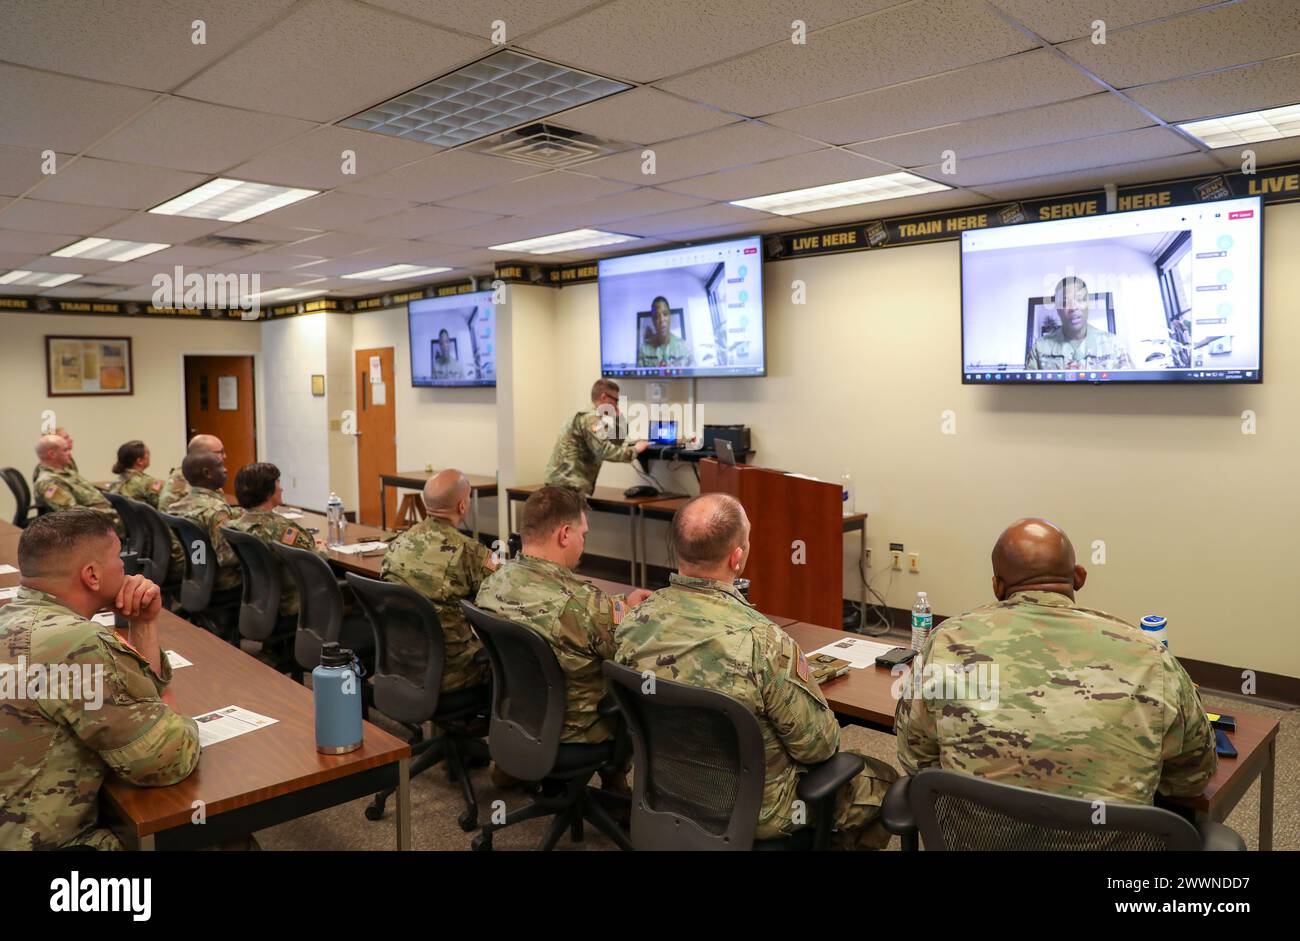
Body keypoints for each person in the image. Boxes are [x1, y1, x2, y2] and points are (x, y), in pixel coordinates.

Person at [616, 493, 897, 849]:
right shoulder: (764, 643)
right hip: (760, 812)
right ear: (737, 557)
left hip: (667, 791)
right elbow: (820, 747)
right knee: (884, 781)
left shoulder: (632, 621)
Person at [895, 517, 1217, 805]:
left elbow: (916, 759)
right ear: (1079, 577)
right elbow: (1191, 778)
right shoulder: (1149, 655)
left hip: (971, 838)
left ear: (998, 587)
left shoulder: (947, 641)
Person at [0, 509, 200, 850]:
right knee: (217, 838)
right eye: (119, 558)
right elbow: (167, 760)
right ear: (92, 575)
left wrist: (144, 623)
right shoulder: (77, 643)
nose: (125, 568)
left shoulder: (12, 618)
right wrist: (167, 703)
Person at [476, 486, 651, 786]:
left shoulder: (493, 582)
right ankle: (615, 786)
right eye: (584, 535)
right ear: (565, 535)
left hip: (515, 719)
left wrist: (621, 604)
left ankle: (511, 767)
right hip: (575, 733)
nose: (584, 544)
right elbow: (630, 651)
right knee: (641, 685)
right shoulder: (581, 604)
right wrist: (629, 611)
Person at [381, 469, 496, 693]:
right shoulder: (470, 552)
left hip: (401, 660)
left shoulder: (397, 543)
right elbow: (503, 593)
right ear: (462, 506)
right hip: (453, 671)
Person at [226, 462, 322, 618]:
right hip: (290, 601)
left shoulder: (235, 524)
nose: (281, 488)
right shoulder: (283, 528)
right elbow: (313, 561)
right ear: (267, 492)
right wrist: (323, 548)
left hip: (259, 600)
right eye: (278, 483)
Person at [544, 378, 649, 495]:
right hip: (567, 486)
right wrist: (635, 450)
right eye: (616, 400)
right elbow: (604, 450)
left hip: (566, 485)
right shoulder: (590, 418)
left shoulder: (592, 417)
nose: (616, 404)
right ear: (604, 397)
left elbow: (613, 441)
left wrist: (618, 419)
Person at [166, 451, 242, 593]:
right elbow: (226, 558)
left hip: (192, 573)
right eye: (220, 466)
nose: (225, 469)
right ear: (207, 473)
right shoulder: (216, 510)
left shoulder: (175, 507)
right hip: (220, 581)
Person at [1025, 276, 1135, 371]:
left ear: (1088, 303)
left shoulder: (1113, 346)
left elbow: (1131, 391)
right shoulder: (1040, 349)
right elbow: (1027, 393)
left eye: (1080, 299)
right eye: (1065, 302)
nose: (1073, 307)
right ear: (1057, 309)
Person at [32, 434, 121, 533]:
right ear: (52, 454)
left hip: (103, 515)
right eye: (65, 450)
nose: (70, 454)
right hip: (96, 525)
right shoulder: (48, 482)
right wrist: (110, 513)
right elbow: (73, 512)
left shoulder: (64, 470)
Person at [158, 434, 225, 511]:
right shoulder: (193, 480)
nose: (225, 456)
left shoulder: (196, 474)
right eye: (220, 452)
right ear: (203, 454)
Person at [637, 296, 693, 368]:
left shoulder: (684, 347)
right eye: (657, 316)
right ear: (653, 321)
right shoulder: (644, 350)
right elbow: (639, 378)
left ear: (670, 317)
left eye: (665, 314)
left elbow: (693, 377)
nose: (662, 320)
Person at [107, 439, 165, 507]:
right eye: (148, 454)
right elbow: (162, 505)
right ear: (139, 461)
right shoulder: (149, 482)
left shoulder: (115, 483)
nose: (150, 457)